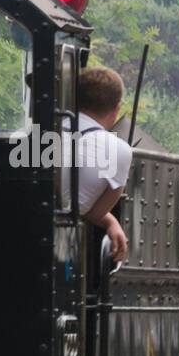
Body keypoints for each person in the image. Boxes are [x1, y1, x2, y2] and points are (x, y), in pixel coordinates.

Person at [76, 66, 132, 262]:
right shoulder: (119, 151)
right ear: (116, 109)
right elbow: (95, 213)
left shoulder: (37, 134)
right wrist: (111, 221)